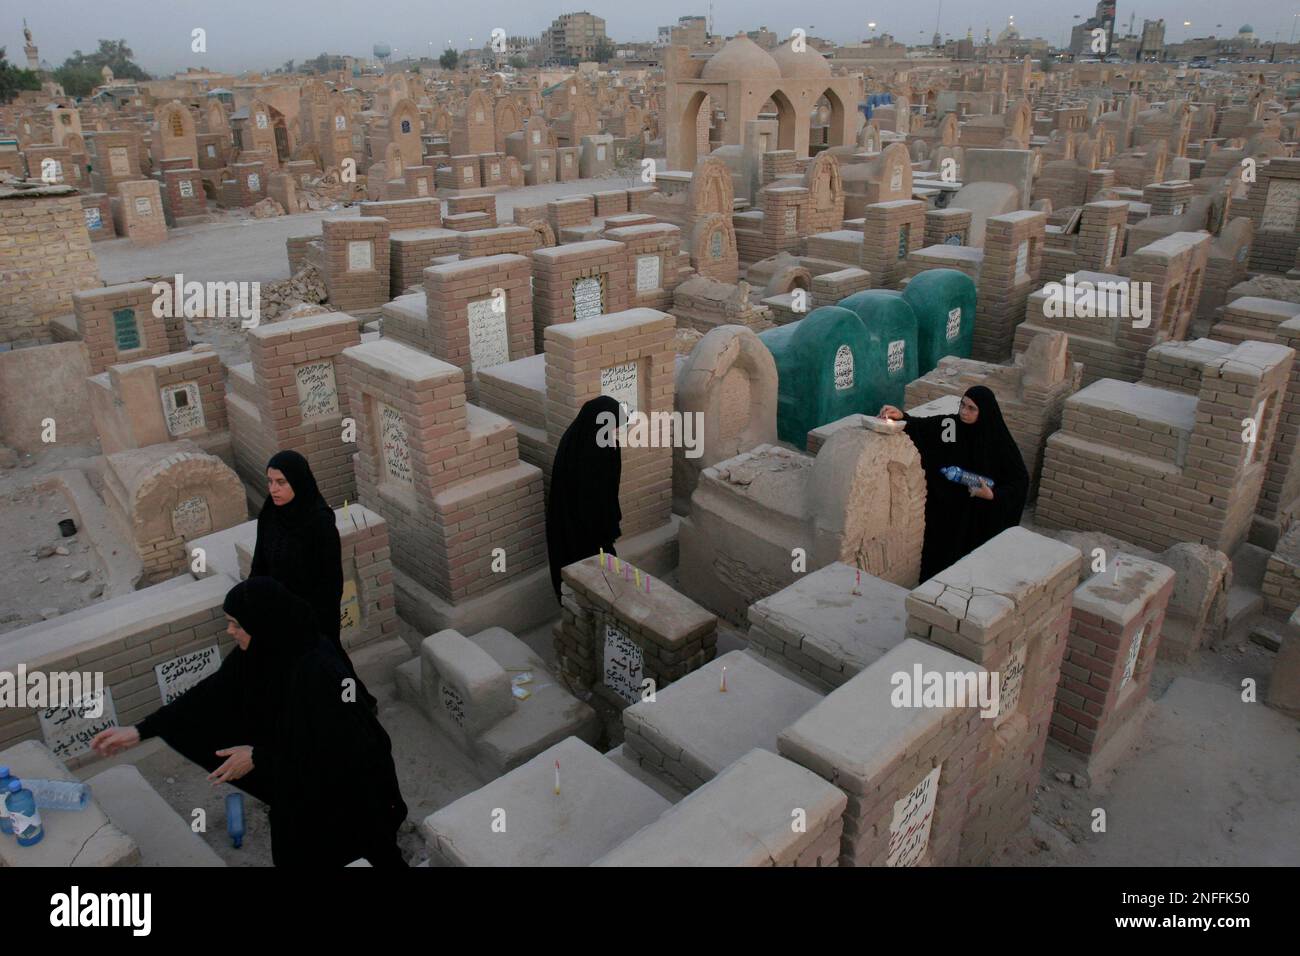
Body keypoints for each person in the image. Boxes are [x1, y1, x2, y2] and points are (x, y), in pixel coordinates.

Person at [91, 577, 408, 867]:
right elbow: (211, 693)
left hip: (353, 793)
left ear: (263, 624)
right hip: (301, 789)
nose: (230, 632)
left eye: (235, 625)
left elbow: (342, 747)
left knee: (368, 852)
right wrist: (141, 730)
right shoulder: (262, 652)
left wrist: (259, 757)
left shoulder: (318, 669)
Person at [251, 450, 375, 712]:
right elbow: (259, 561)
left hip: (313, 615)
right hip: (279, 611)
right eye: (270, 481)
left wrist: (309, 618)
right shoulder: (270, 513)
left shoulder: (318, 521)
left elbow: (331, 581)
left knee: (331, 663)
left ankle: (359, 707)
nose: (273, 489)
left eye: (281, 482)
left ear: (298, 480)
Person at [879, 385, 1029, 581]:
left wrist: (993, 495)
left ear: (984, 411)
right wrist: (902, 416)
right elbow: (923, 428)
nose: (964, 412)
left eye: (971, 408)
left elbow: (1019, 481)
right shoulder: (951, 426)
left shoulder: (997, 441)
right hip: (946, 511)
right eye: (962, 405)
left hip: (975, 515)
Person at [546, 395, 623, 601]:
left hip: (592, 523)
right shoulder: (587, 451)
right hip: (582, 527)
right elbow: (590, 497)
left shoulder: (587, 438)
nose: (616, 433)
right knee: (592, 571)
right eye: (614, 427)